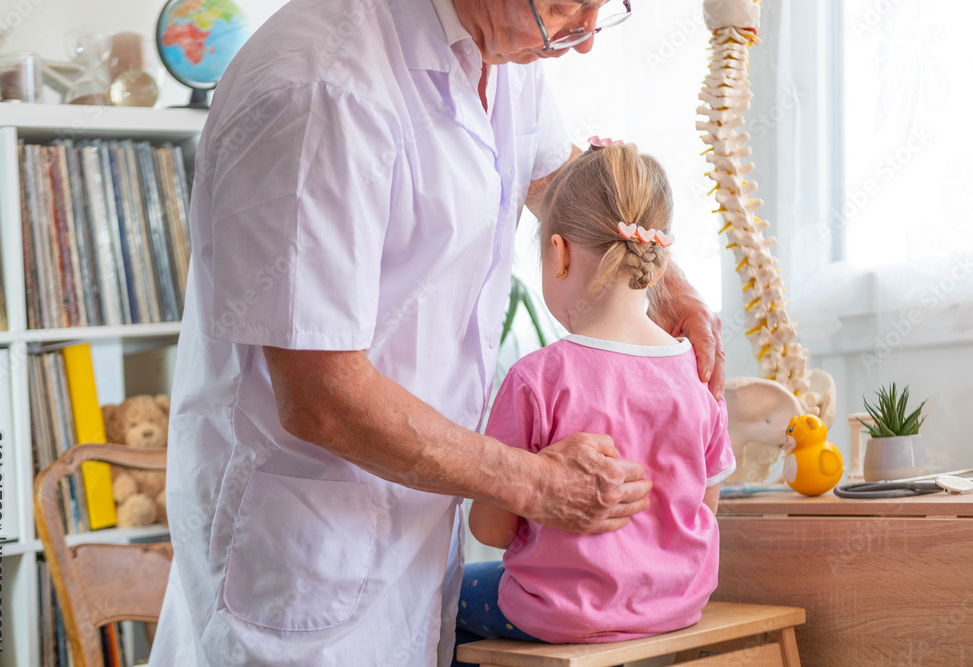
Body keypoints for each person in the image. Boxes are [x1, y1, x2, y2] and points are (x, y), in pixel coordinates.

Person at [148, 0, 726, 665]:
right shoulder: (321, 87)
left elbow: (561, 180)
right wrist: (537, 484)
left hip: (418, 543)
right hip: (305, 562)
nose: (588, 38)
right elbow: (319, 393)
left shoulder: (506, 48)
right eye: (570, 4)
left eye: (609, 4)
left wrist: (662, 273)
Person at [455, 146, 736, 660]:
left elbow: (489, 530)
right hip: (678, 605)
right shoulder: (696, 373)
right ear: (657, 258)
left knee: (445, 593)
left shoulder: (536, 379)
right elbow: (704, 512)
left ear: (559, 253)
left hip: (561, 614)